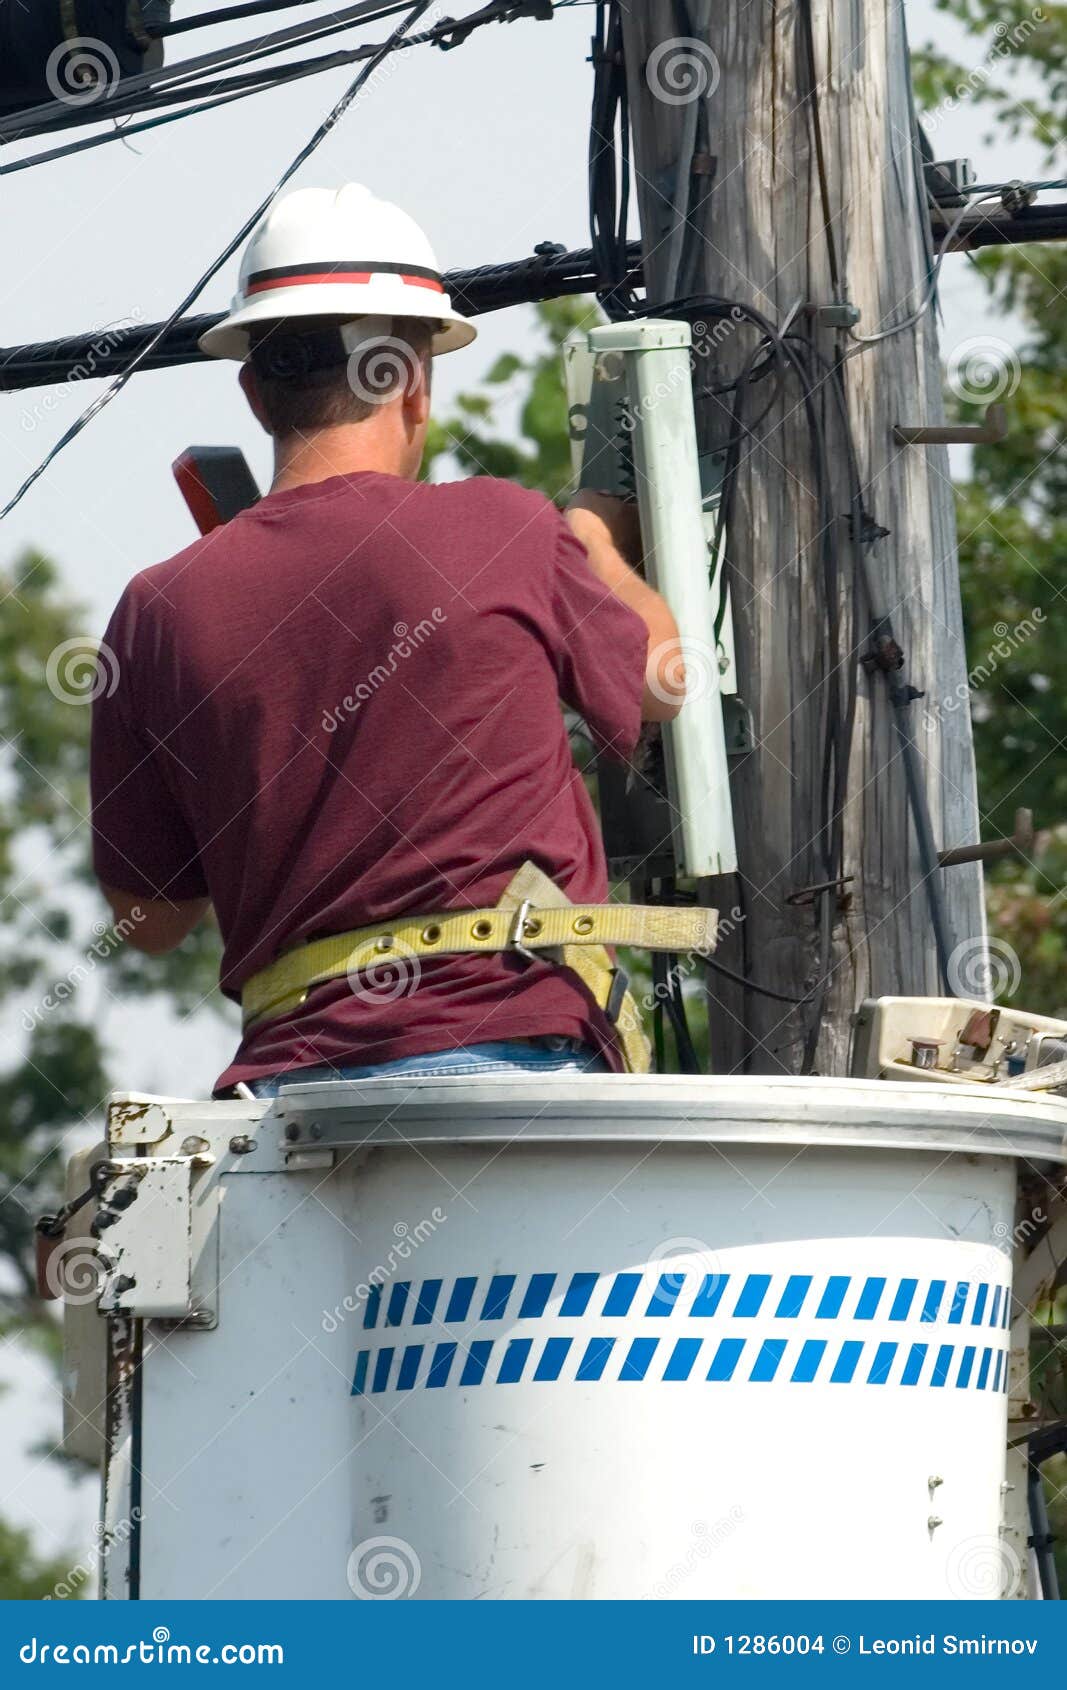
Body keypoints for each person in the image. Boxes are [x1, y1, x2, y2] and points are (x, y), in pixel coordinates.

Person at [90, 184, 685, 1097]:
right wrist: (594, 538)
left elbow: (153, 919)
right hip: (513, 1060)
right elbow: (659, 682)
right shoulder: (503, 527)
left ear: (254, 392)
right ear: (410, 381)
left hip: (289, 1101)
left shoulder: (154, 609)